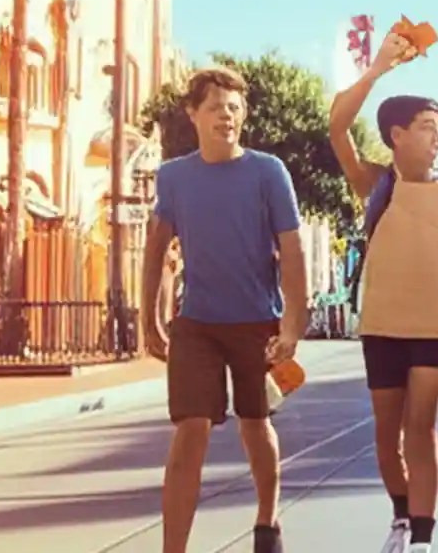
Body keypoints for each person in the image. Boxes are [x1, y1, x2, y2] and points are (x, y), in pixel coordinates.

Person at [329, 30, 438, 553]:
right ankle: (401, 512)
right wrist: (377, 70)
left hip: (433, 329)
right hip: (380, 326)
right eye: (426, 128)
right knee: (386, 436)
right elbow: (337, 127)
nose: (436, 138)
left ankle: (422, 536)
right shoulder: (376, 184)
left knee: (422, 430)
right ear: (397, 135)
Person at [140, 65, 310, 553]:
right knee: (190, 429)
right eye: (216, 107)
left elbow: (292, 248)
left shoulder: (267, 171)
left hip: (258, 322)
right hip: (197, 324)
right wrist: (148, 315)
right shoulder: (174, 177)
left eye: (234, 108)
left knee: (256, 423)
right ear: (193, 113)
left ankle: (267, 520)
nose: (226, 116)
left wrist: (292, 322)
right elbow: (156, 250)